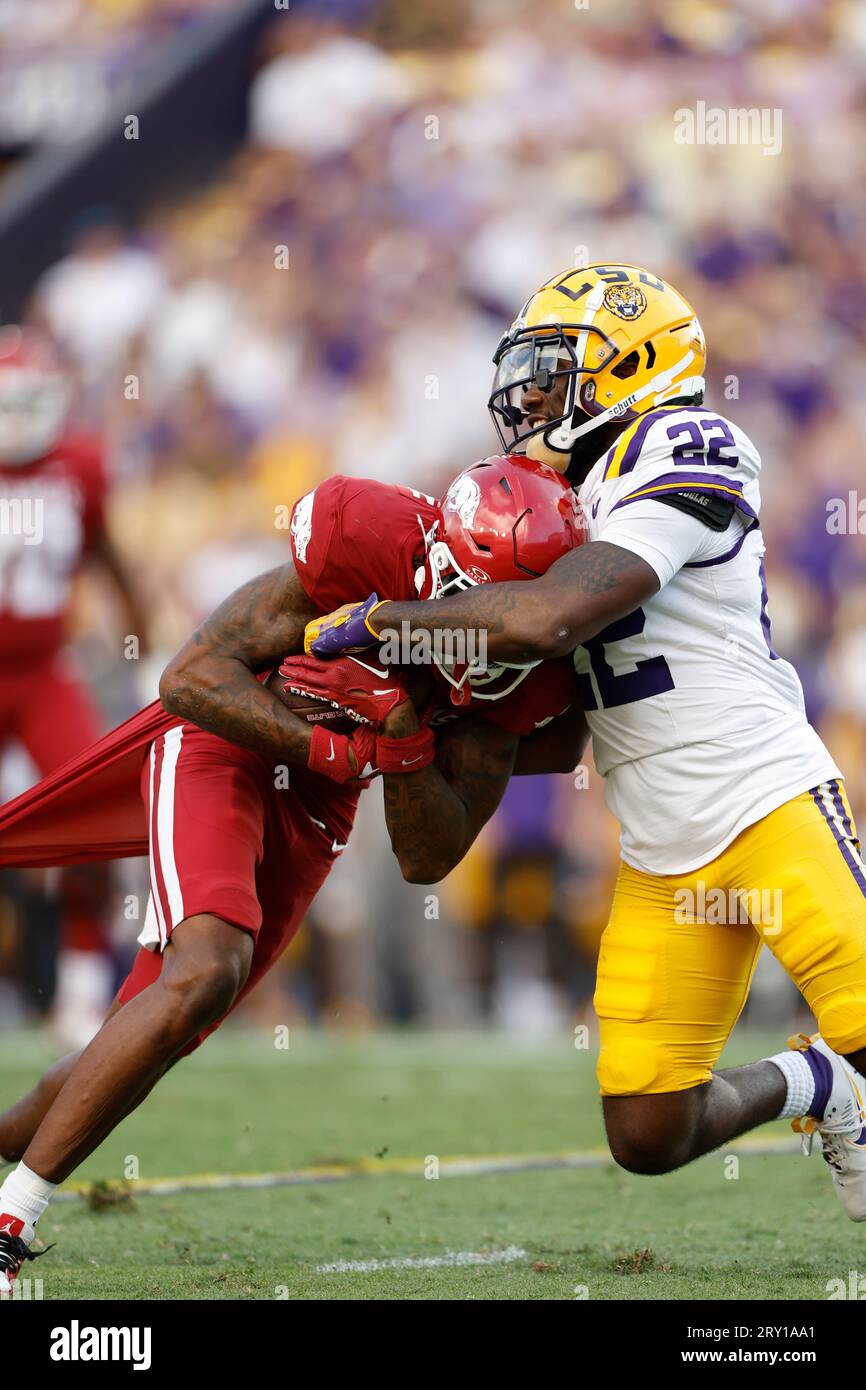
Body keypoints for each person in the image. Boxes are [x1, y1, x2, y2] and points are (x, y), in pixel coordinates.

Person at [306, 262, 866, 1223]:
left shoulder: (691, 441)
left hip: (765, 799)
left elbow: (547, 621)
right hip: (659, 844)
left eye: (558, 369)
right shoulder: (562, 487)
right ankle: (829, 1091)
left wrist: (386, 623)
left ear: (635, 368)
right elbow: (556, 727)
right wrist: (412, 721)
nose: (530, 393)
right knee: (648, 1129)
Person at [0, 454, 587, 1290]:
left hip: (320, 807)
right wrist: (328, 743)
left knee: (149, 1032)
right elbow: (191, 677)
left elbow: (427, 859)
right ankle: (10, 1226)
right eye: (474, 598)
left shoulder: (525, 677)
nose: (485, 624)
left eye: (513, 611)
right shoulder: (365, 540)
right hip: (224, 747)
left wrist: (406, 739)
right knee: (206, 968)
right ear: (440, 558)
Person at [0, 325, 148, 1043]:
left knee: (88, 812)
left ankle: (83, 984)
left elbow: (107, 555)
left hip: (40, 670)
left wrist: (143, 637)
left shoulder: (79, 468)